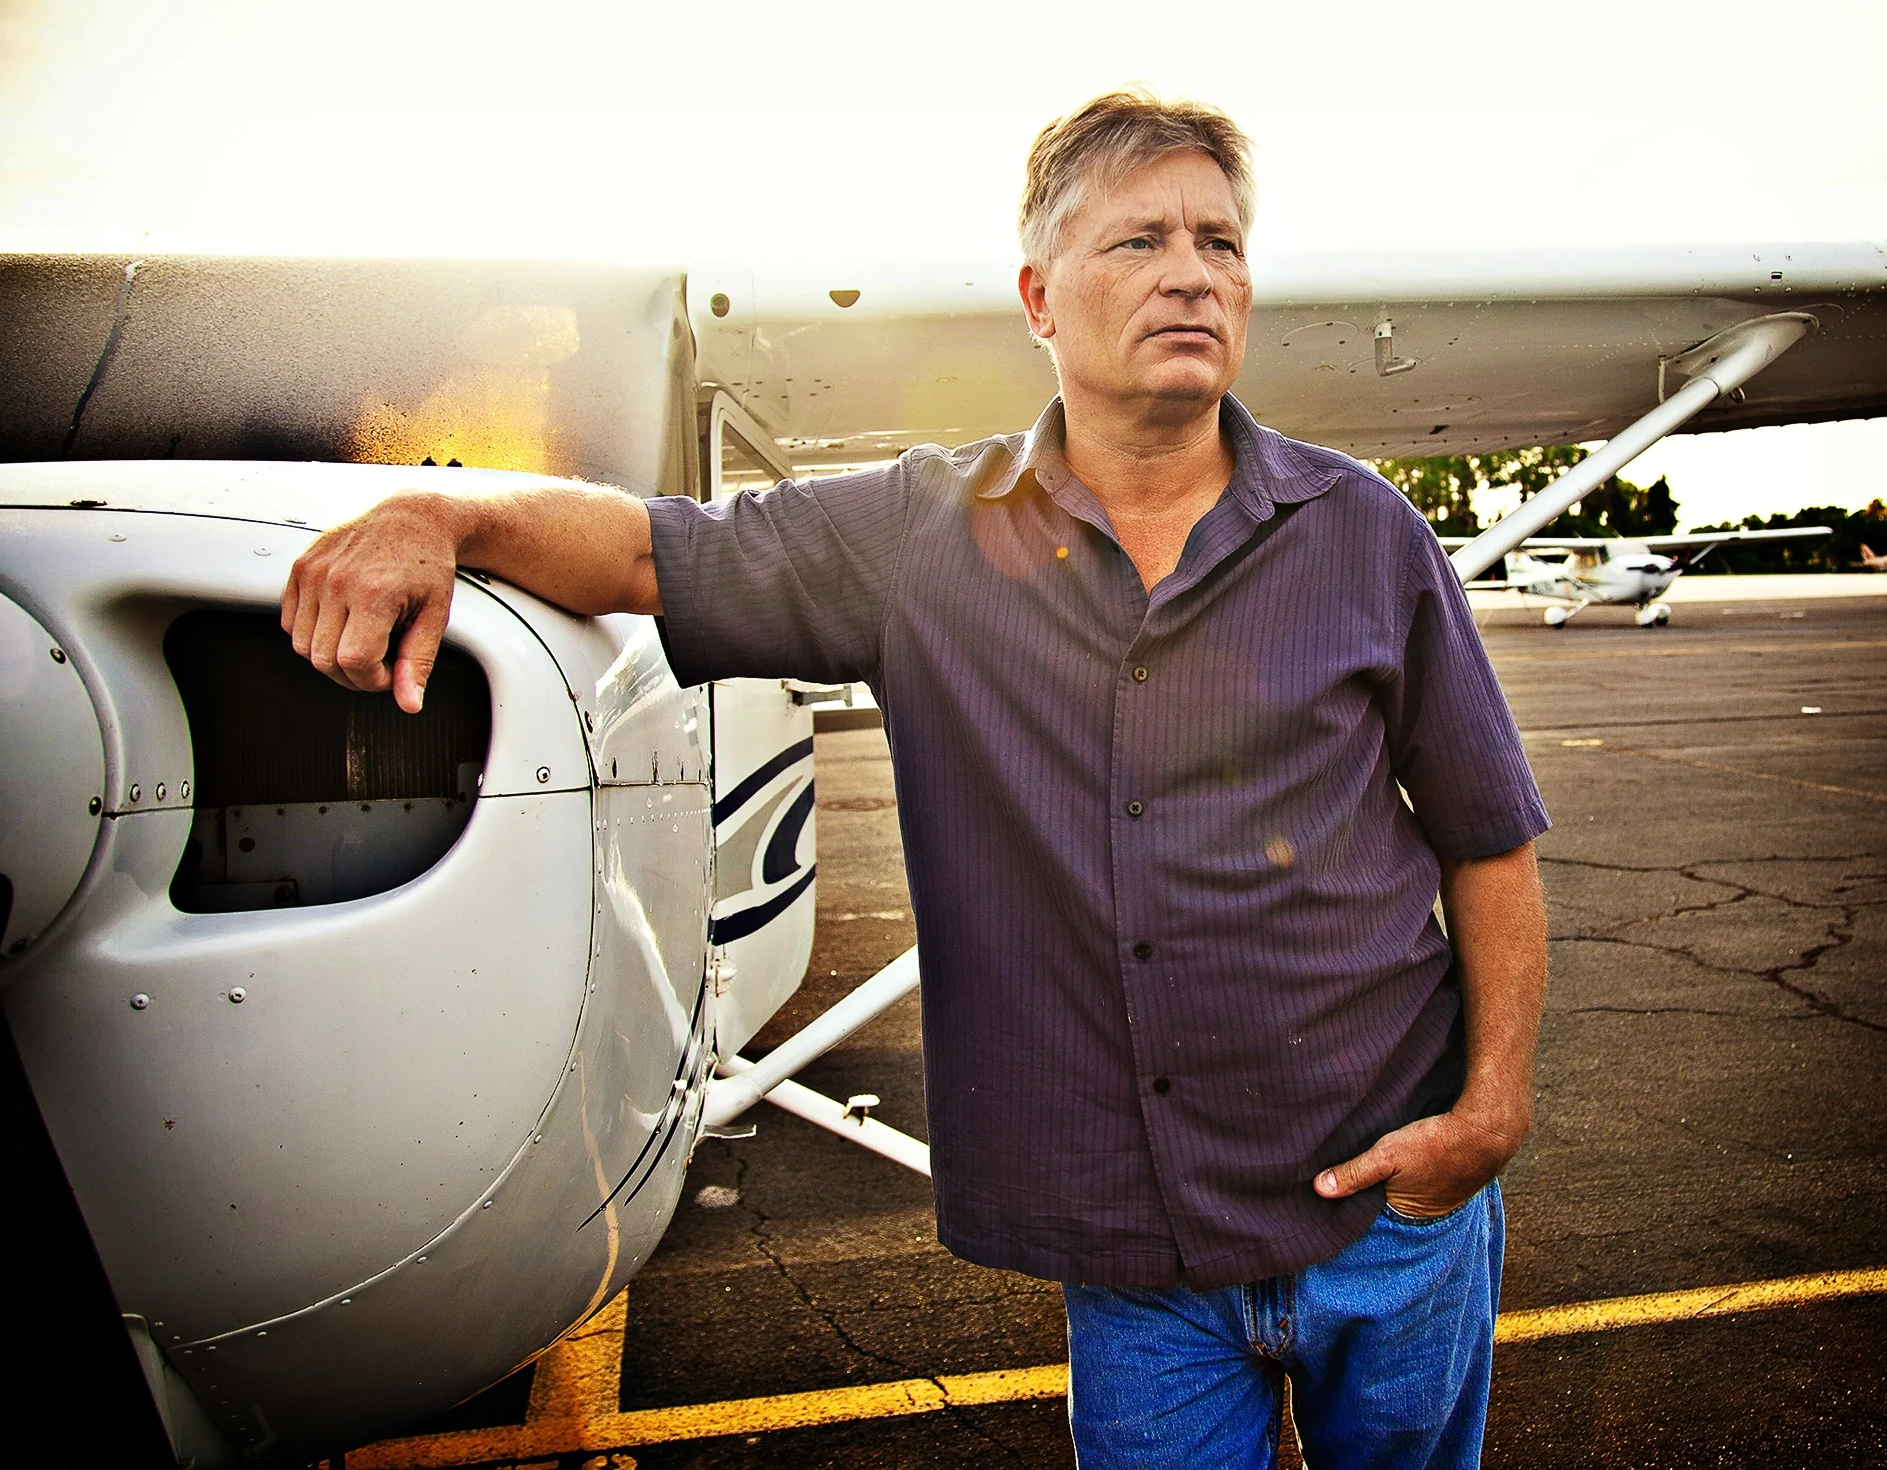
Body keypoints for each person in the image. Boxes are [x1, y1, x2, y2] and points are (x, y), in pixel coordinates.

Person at [283, 90, 1549, 1470]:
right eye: (1139, 240)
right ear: (1039, 299)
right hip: (1141, 1263)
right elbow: (649, 550)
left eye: (1221, 243)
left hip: (1394, 1220)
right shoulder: (920, 537)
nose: (1192, 273)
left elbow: (1487, 835)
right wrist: (437, 509)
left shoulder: (1365, 532)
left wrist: (1488, 1113)